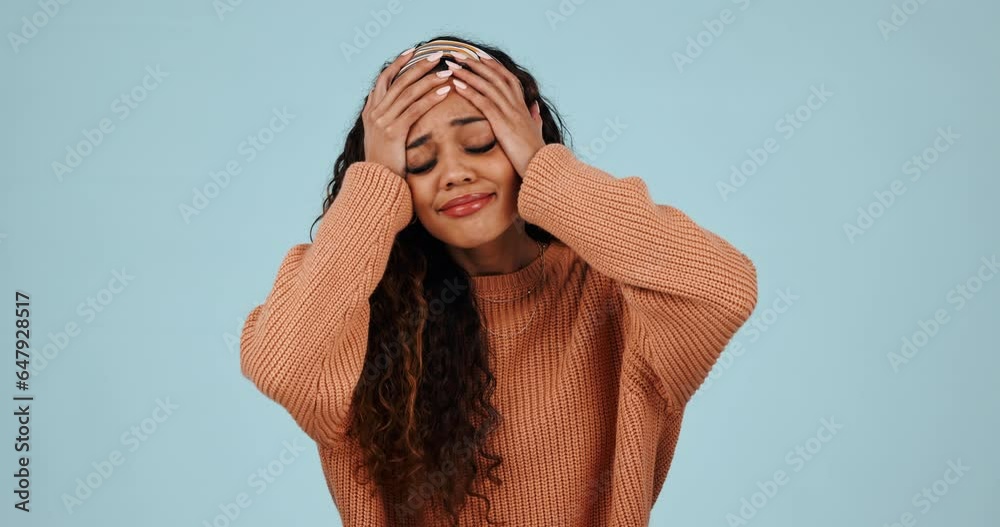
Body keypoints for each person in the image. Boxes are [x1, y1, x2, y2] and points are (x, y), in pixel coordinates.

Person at [239, 35, 758, 527]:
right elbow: (284, 366)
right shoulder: (353, 305)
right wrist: (370, 194)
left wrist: (545, 169)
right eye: (418, 160)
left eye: (482, 142)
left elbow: (724, 288)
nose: (455, 173)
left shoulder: (615, 293)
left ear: (522, 135)